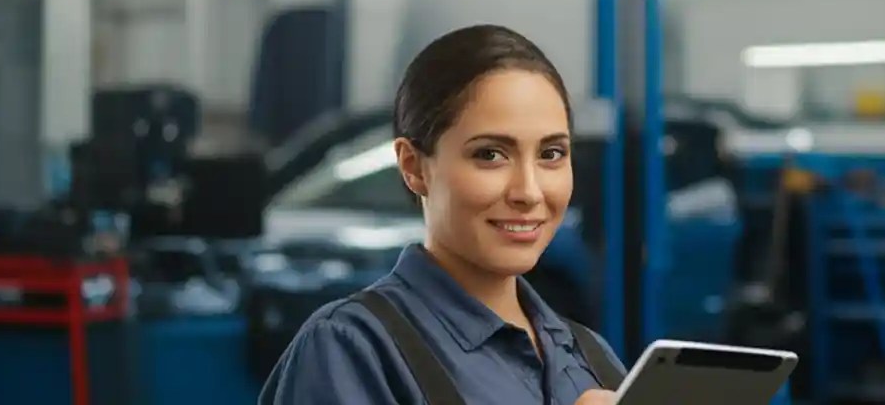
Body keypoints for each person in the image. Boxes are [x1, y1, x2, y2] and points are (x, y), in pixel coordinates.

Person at [259, 24, 627, 405]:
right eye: (490, 154)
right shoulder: (352, 349)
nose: (529, 192)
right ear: (414, 166)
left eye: (551, 154)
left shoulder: (591, 359)